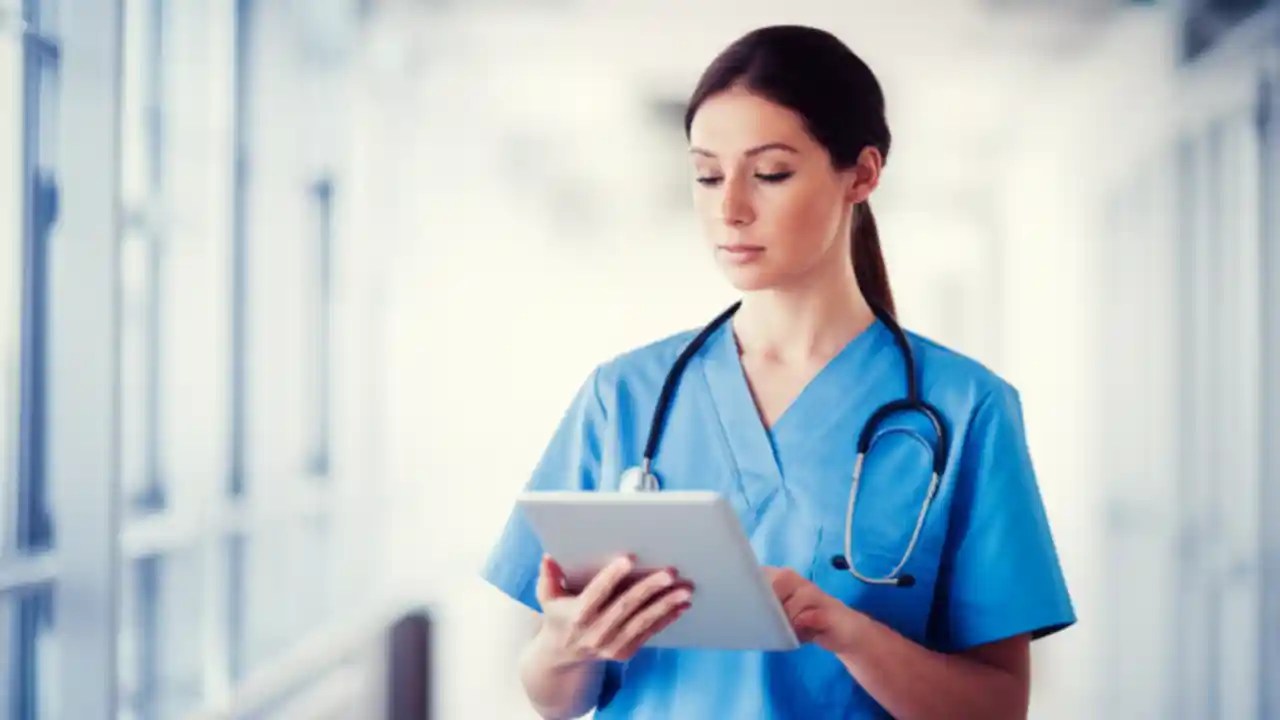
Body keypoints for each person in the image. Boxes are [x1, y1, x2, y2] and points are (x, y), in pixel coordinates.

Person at [480, 24, 1075, 719]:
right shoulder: (625, 397)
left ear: (862, 173)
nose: (728, 208)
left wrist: (846, 633)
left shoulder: (964, 409)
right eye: (706, 175)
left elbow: (998, 706)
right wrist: (567, 647)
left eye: (770, 173)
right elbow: (552, 697)